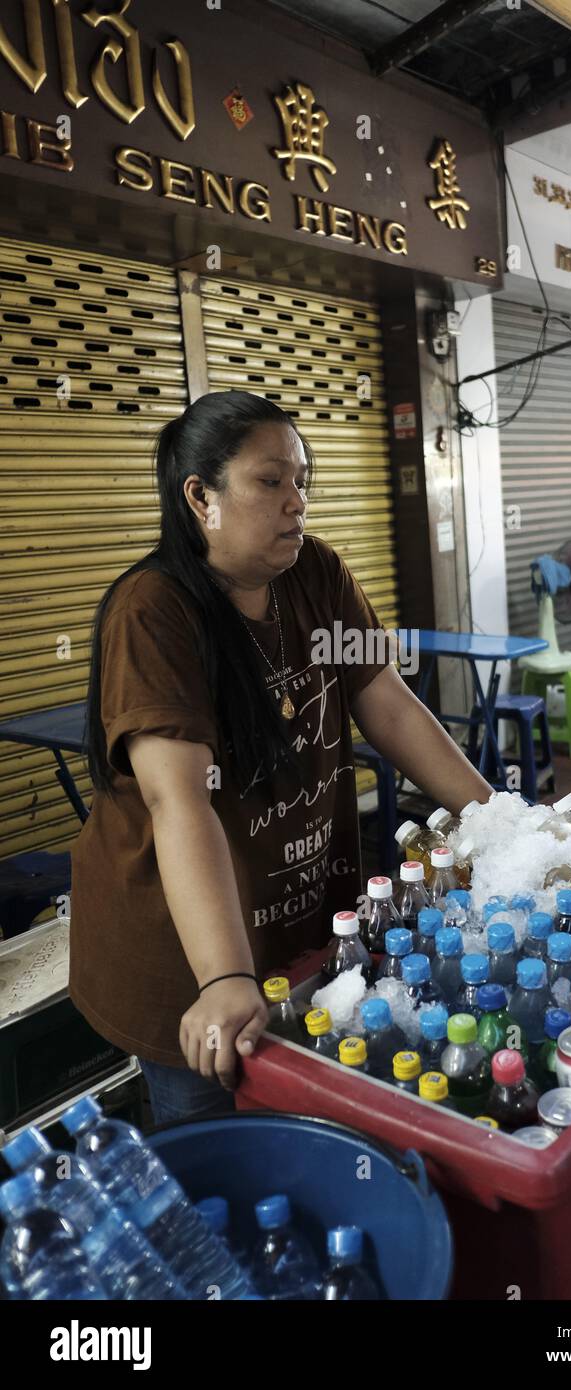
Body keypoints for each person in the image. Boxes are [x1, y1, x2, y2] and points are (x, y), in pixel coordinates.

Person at [69, 391, 493, 1124]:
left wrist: (499, 819)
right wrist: (225, 975)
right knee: (225, 1140)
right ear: (200, 495)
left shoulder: (315, 576)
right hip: (187, 954)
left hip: (297, 925)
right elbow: (179, 800)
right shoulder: (154, 612)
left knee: (314, 1117)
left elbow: (386, 702)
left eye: (301, 480)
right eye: (271, 482)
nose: (296, 502)